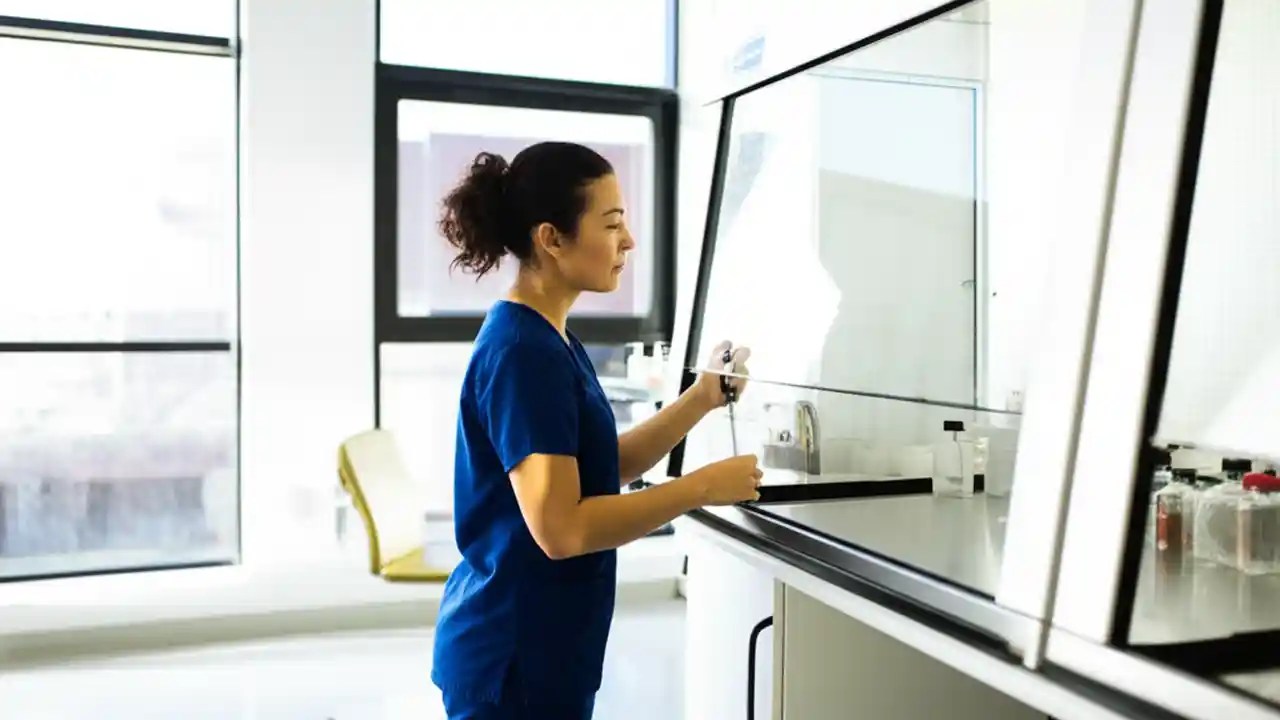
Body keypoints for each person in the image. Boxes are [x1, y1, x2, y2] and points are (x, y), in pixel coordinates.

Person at [429, 141, 762, 719]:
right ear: (551, 238)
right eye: (611, 225)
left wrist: (703, 397)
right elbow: (561, 530)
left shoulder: (549, 336)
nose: (627, 242)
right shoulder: (522, 352)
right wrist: (701, 488)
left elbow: (600, 466)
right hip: (514, 659)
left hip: (541, 648)